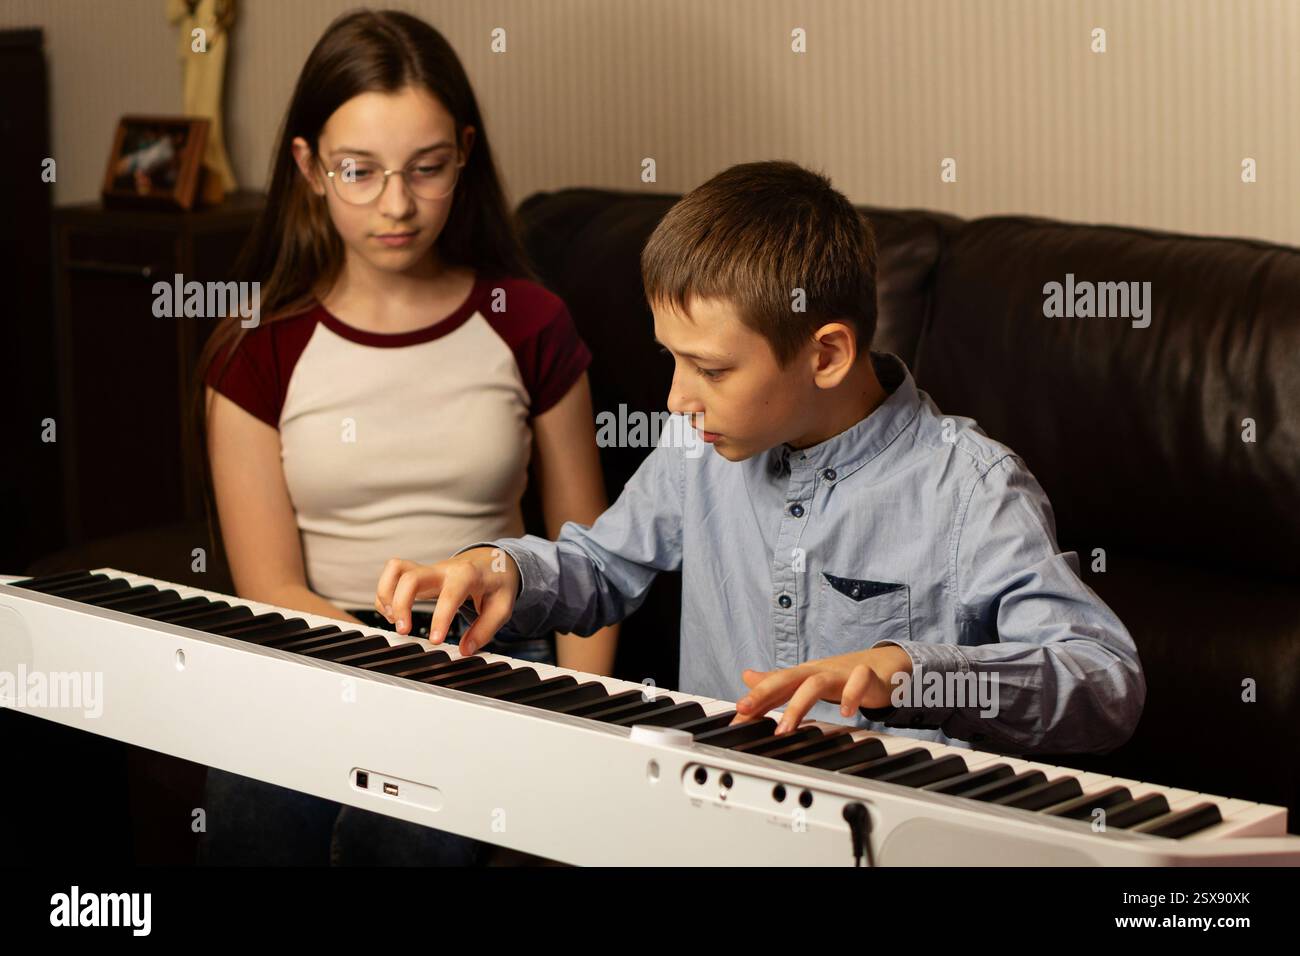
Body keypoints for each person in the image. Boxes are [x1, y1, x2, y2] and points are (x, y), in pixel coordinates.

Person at [375, 160, 1145, 757]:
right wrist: (499, 568)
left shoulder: (970, 488)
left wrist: (911, 671)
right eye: (671, 360)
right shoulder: (700, 450)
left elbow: (1105, 681)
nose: (677, 400)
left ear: (828, 354)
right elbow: (601, 569)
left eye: (711, 370)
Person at [194, 8, 617, 865]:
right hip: (316, 646)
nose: (397, 204)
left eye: (427, 169)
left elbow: (590, 556)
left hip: (494, 647)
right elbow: (270, 584)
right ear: (308, 166)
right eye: (360, 172)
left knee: (405, 836)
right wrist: (385, 675)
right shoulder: (256, 348)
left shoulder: (528, 322)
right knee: (250, 816)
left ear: (463, 153)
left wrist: (586, 708)